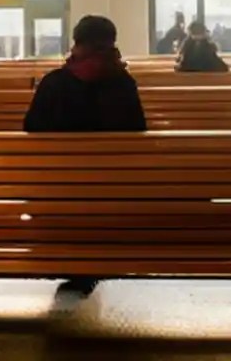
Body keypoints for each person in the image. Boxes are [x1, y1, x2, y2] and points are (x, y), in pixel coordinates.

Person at [25, 15, 146, 297]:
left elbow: (31, 128)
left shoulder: (54, 84)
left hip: (57, 195)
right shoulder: (123, 84)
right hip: (112, 194)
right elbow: (138, 133)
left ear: (76, 43)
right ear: (112, 44)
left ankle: (74, 259)